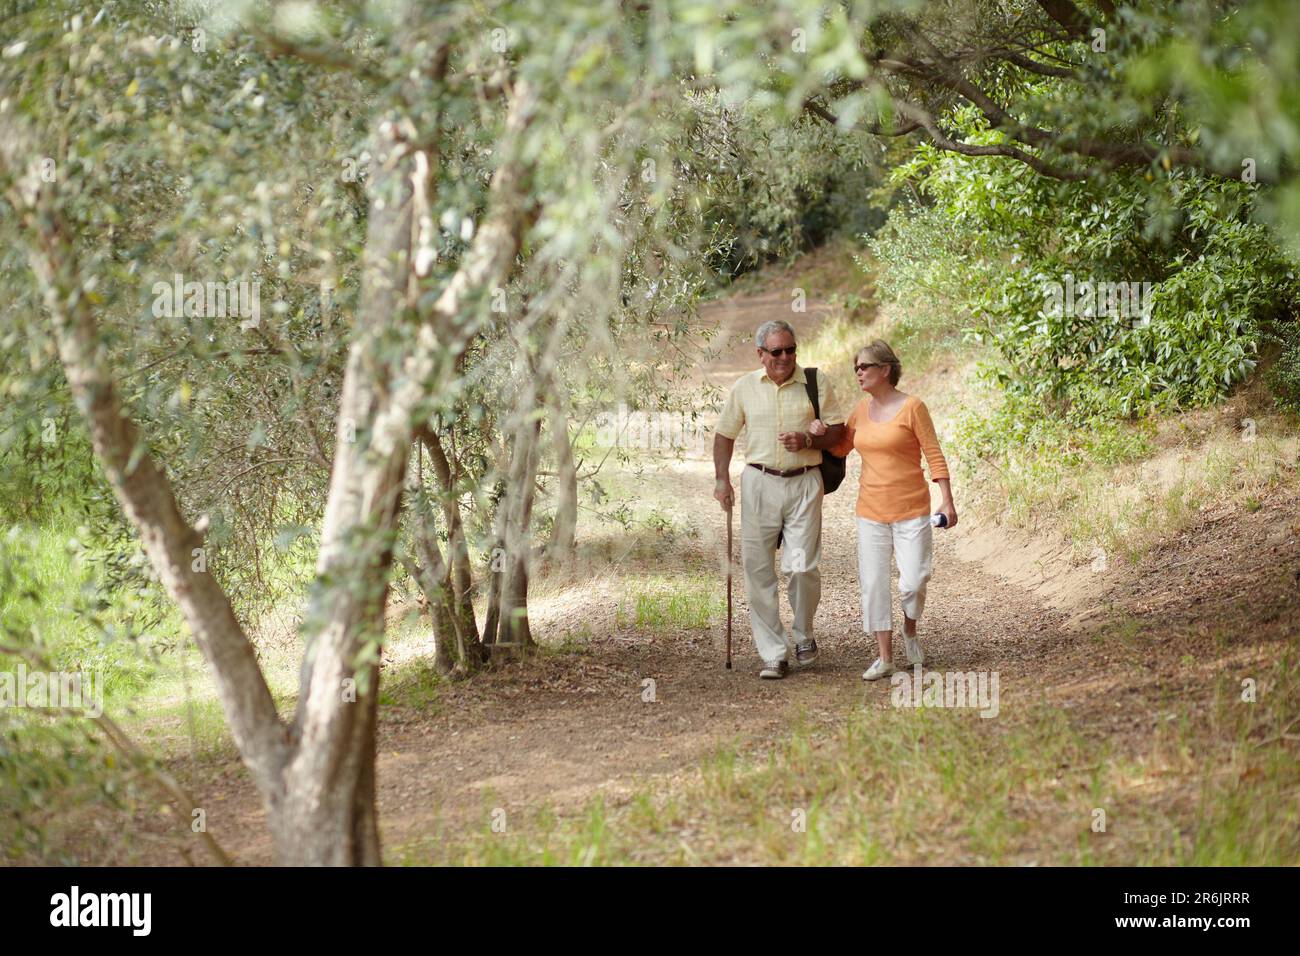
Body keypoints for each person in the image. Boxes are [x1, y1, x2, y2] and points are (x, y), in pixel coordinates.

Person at [713, 320, 846, 679]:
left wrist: (807, 440)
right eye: (776, 351)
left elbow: (837, 430)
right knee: (758, 571)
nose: (785, 357)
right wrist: (722, 480)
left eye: (790, 349)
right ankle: (773, 652)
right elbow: (724, 435)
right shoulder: (744, 388)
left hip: (804, 483)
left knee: (801, 566)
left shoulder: (815, 383)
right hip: (759, 483)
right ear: (761, 355)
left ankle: (804, 633)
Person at [817, 339, 957, 681]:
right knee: (875, 584)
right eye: (856, 369)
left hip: (912, 509)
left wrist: (947, 499)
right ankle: (885, 657)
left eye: (864, 367)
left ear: (885, 369)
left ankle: (910, 629)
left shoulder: (913, 407)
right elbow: (840, 447)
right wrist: (819, 434)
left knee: (914, 580)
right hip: (870, 512)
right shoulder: (859, 411)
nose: (859, 373)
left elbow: (933, 452)